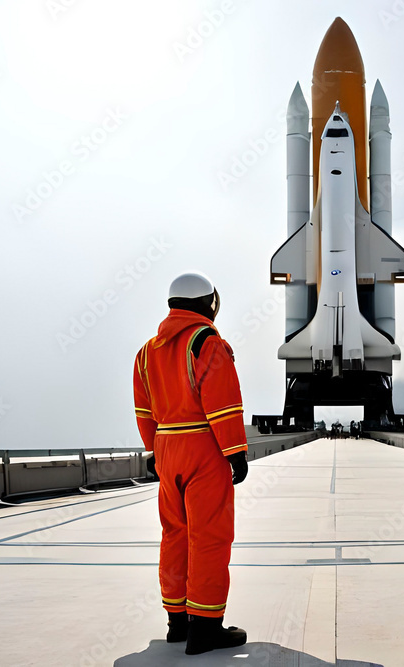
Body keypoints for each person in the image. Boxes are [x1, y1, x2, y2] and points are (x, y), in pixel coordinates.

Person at [132, 271, 249, 655]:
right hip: (203, 446)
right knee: (209, 537)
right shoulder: (205, 342)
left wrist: (154, 449)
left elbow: (144, 410)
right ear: (208, 303)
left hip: (167, 449)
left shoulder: (147, 352)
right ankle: (206, 627)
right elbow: (222, 401)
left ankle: (177, 622)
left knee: (175, 535)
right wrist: (235, 451)